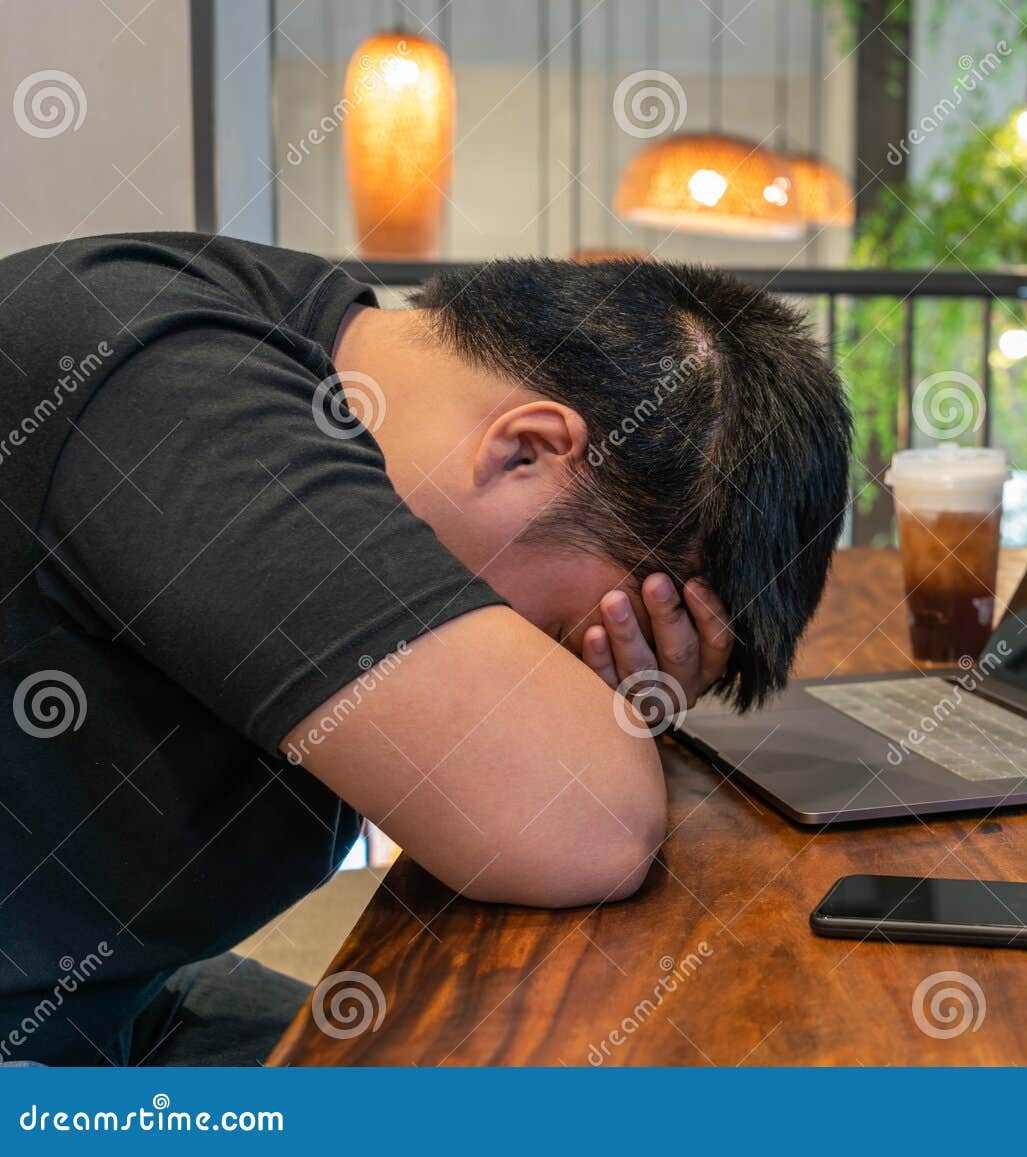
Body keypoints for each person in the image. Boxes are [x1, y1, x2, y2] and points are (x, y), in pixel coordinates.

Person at [0, 233, 851, 1065]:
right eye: (568, 642)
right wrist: (590, 744)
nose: (568, 679)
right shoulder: (171, 382)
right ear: (528, 448)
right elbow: (580, 826)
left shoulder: (326, 363)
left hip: (120, 1003)